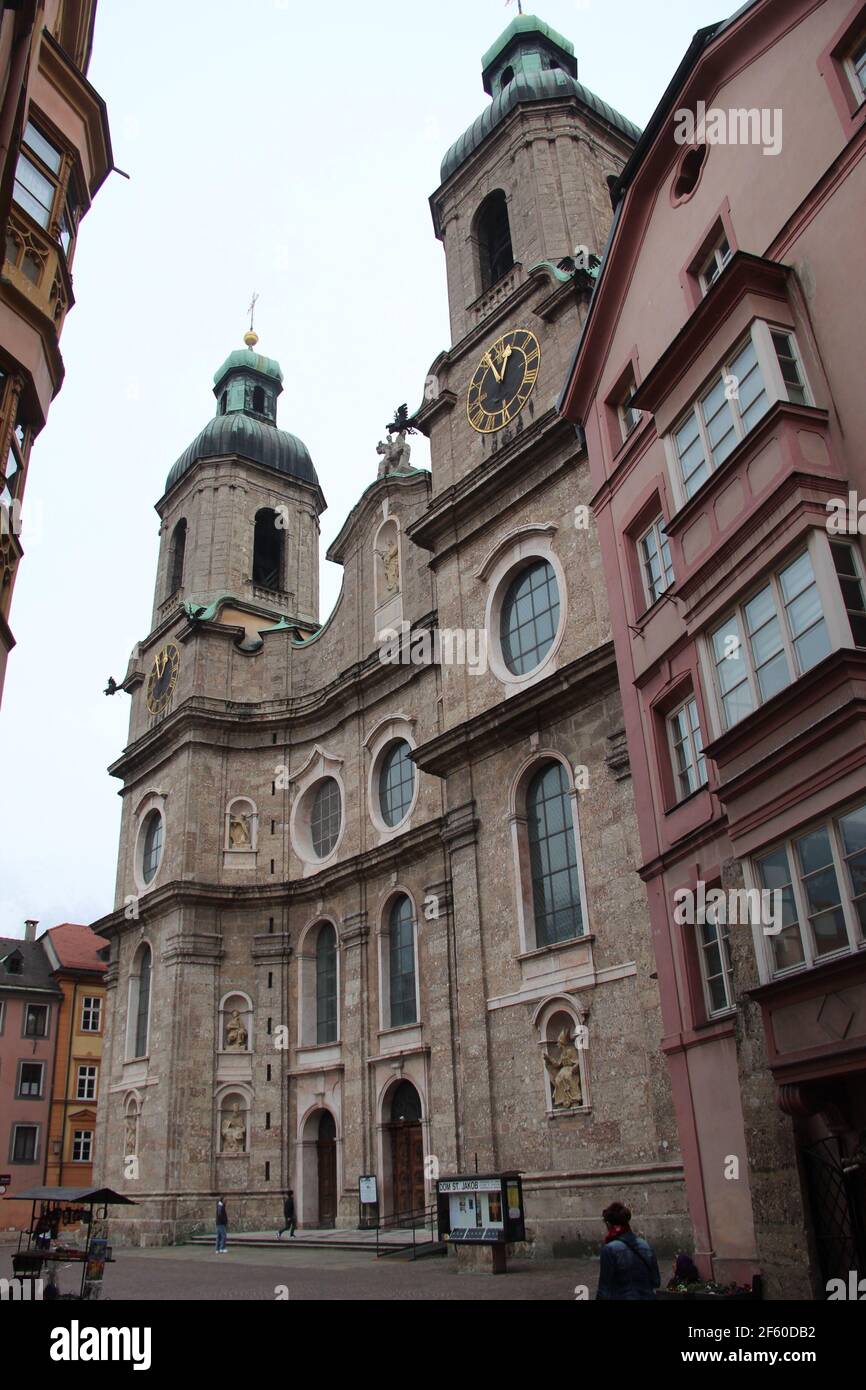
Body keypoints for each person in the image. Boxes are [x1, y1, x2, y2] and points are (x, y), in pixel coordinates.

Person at [595, 1201, 660, 1300]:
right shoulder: (645, 1245)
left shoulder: (609, 1249)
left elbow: (604, 1289)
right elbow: (656, 1281)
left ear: (609, 1224)